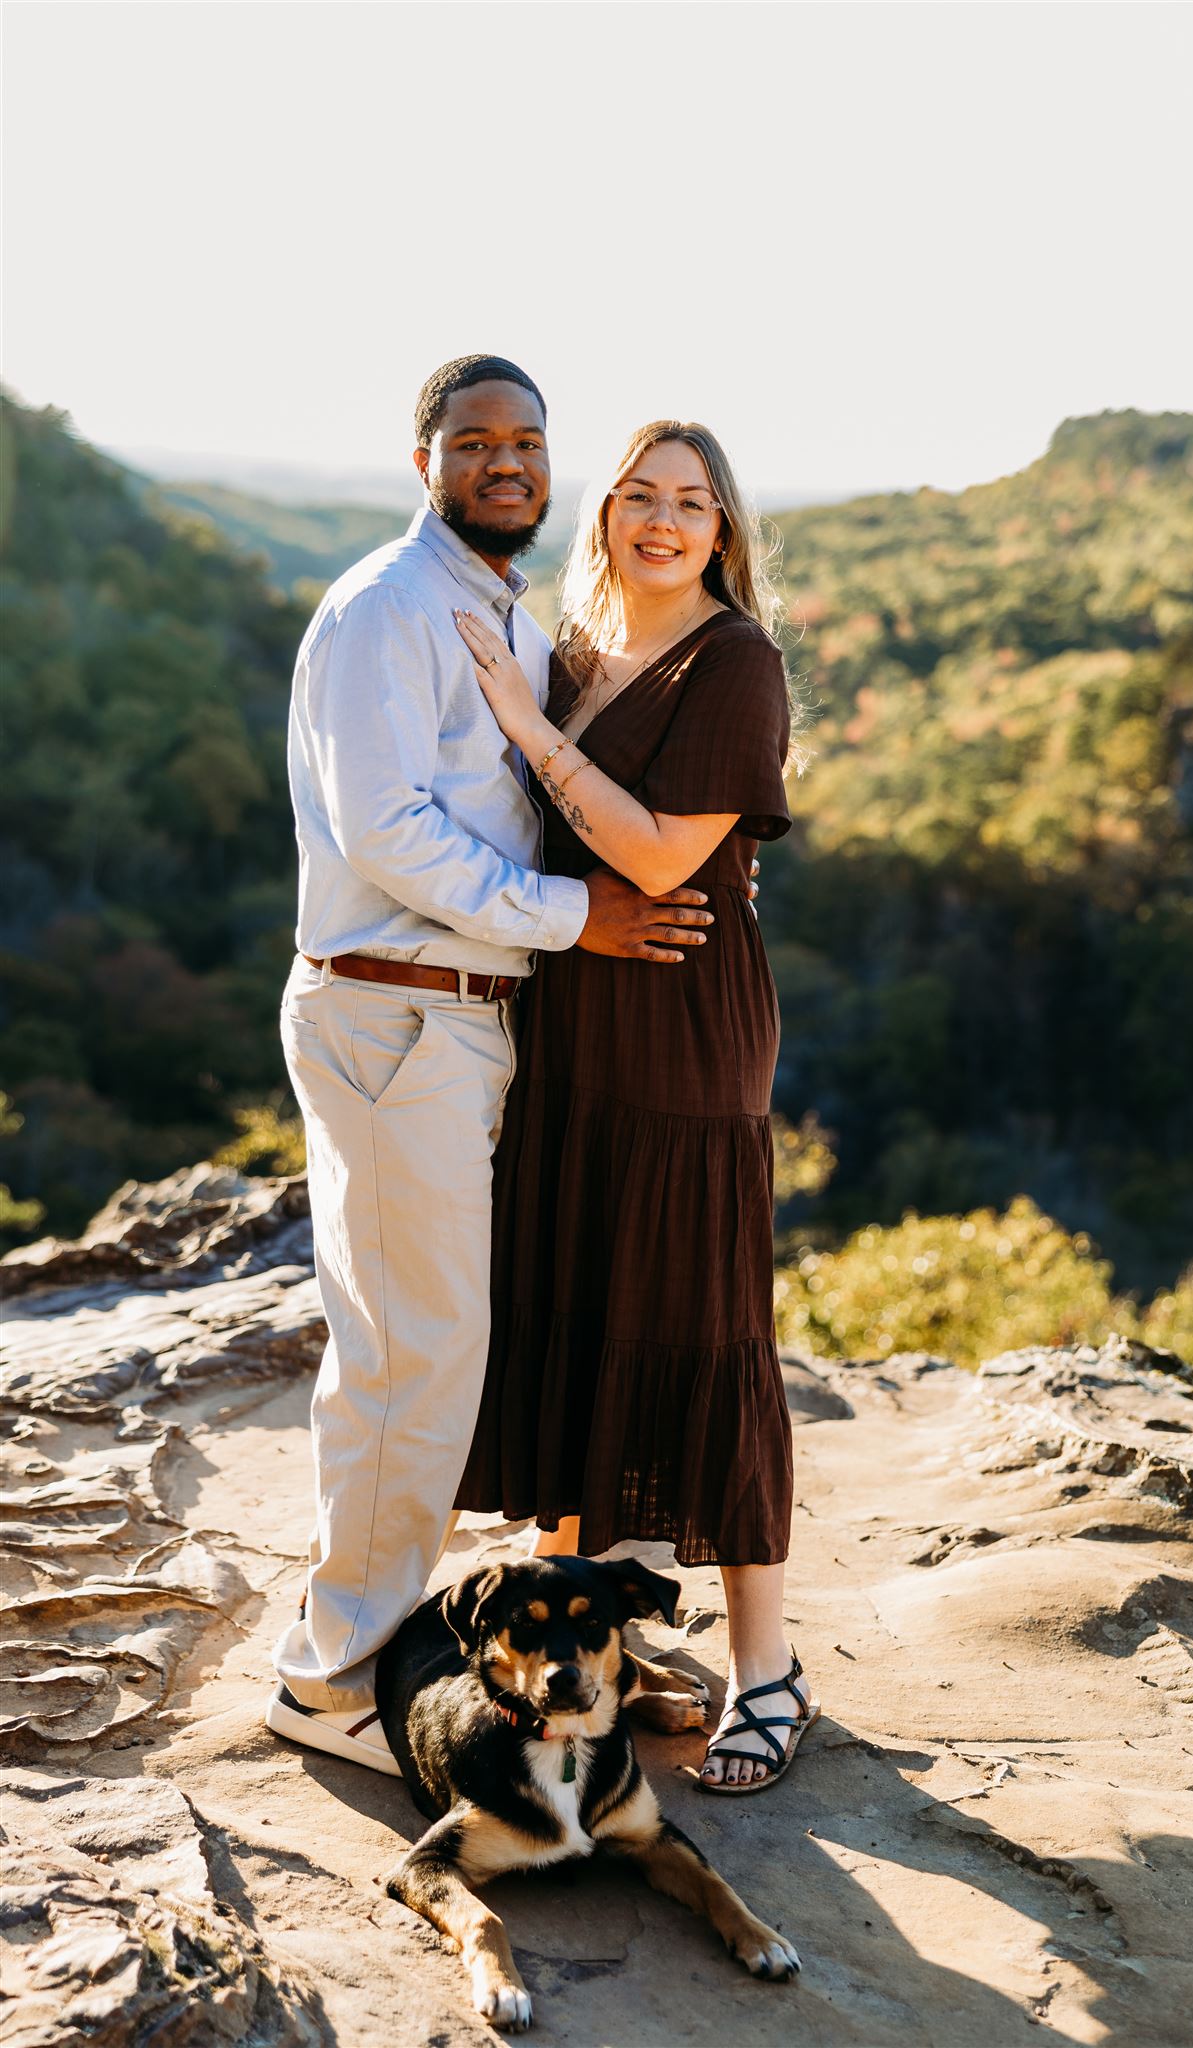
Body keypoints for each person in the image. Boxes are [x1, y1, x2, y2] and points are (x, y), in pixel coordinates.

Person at [267, 358, 714, 1774]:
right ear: (426, 460)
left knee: (446, 1343)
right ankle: (333, 1679)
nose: (506, 461)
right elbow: (387, 831)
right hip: (393, 1014)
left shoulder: (504, 615)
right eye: (474, 441)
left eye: (527, 440)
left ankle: (392, 1636)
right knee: (408, 1354)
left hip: (468, 1019)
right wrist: (579, 914)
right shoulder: (386, 610)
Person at [452, 421, 819, 1792]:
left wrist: (528, 728)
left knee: (704, 1332)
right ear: (605, 513)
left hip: (682, 1030)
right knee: (572, 1303)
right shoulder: (575, 652)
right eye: (640, 497)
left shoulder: (735, 662)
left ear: (724, 530)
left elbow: (663, 858)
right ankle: (577, 1639)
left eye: (692, 503)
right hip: (571, 1023)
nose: (663, 521)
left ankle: (769, 1671)